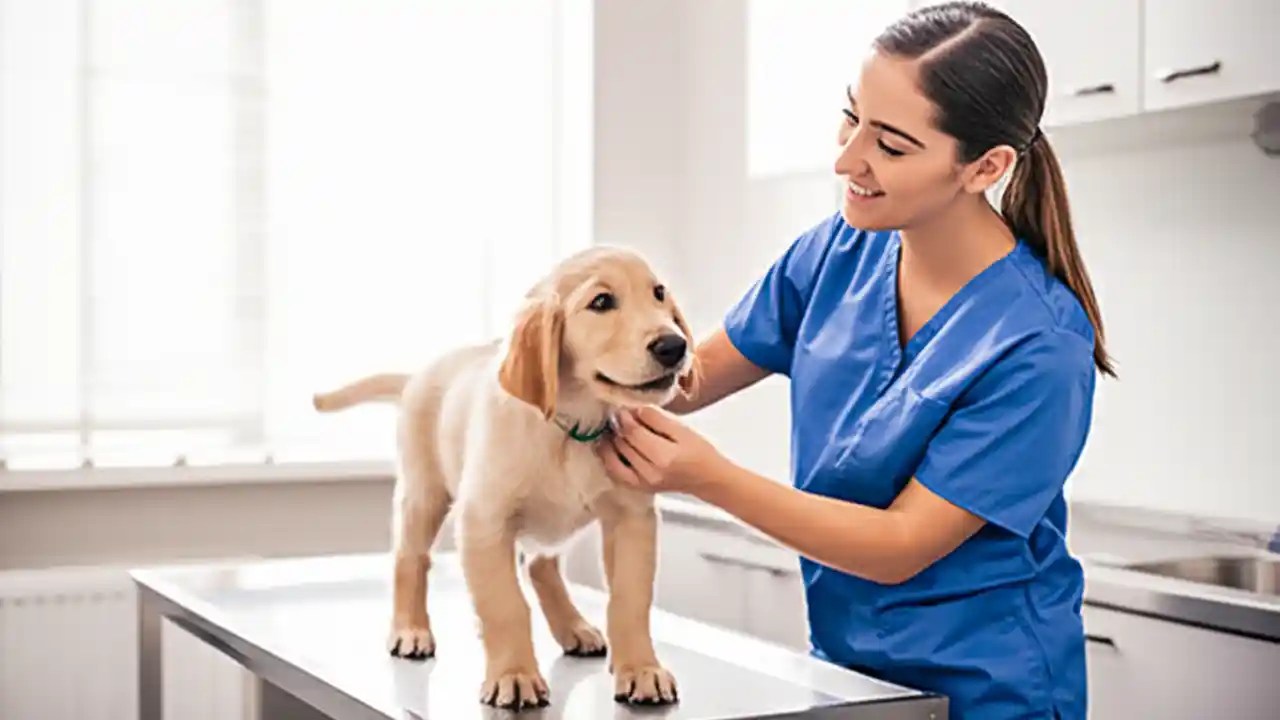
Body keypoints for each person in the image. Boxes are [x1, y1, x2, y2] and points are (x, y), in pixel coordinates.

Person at [595, 2, 1115, 719]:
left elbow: (900, 546)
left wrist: (706, 478)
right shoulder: (838, 250)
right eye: (852, 117)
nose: (846, 160)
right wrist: (565, 359)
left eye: (891, 146)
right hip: (850, 676)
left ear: (985, 167)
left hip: (990, 690)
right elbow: (683, 381)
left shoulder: (1039, 345)